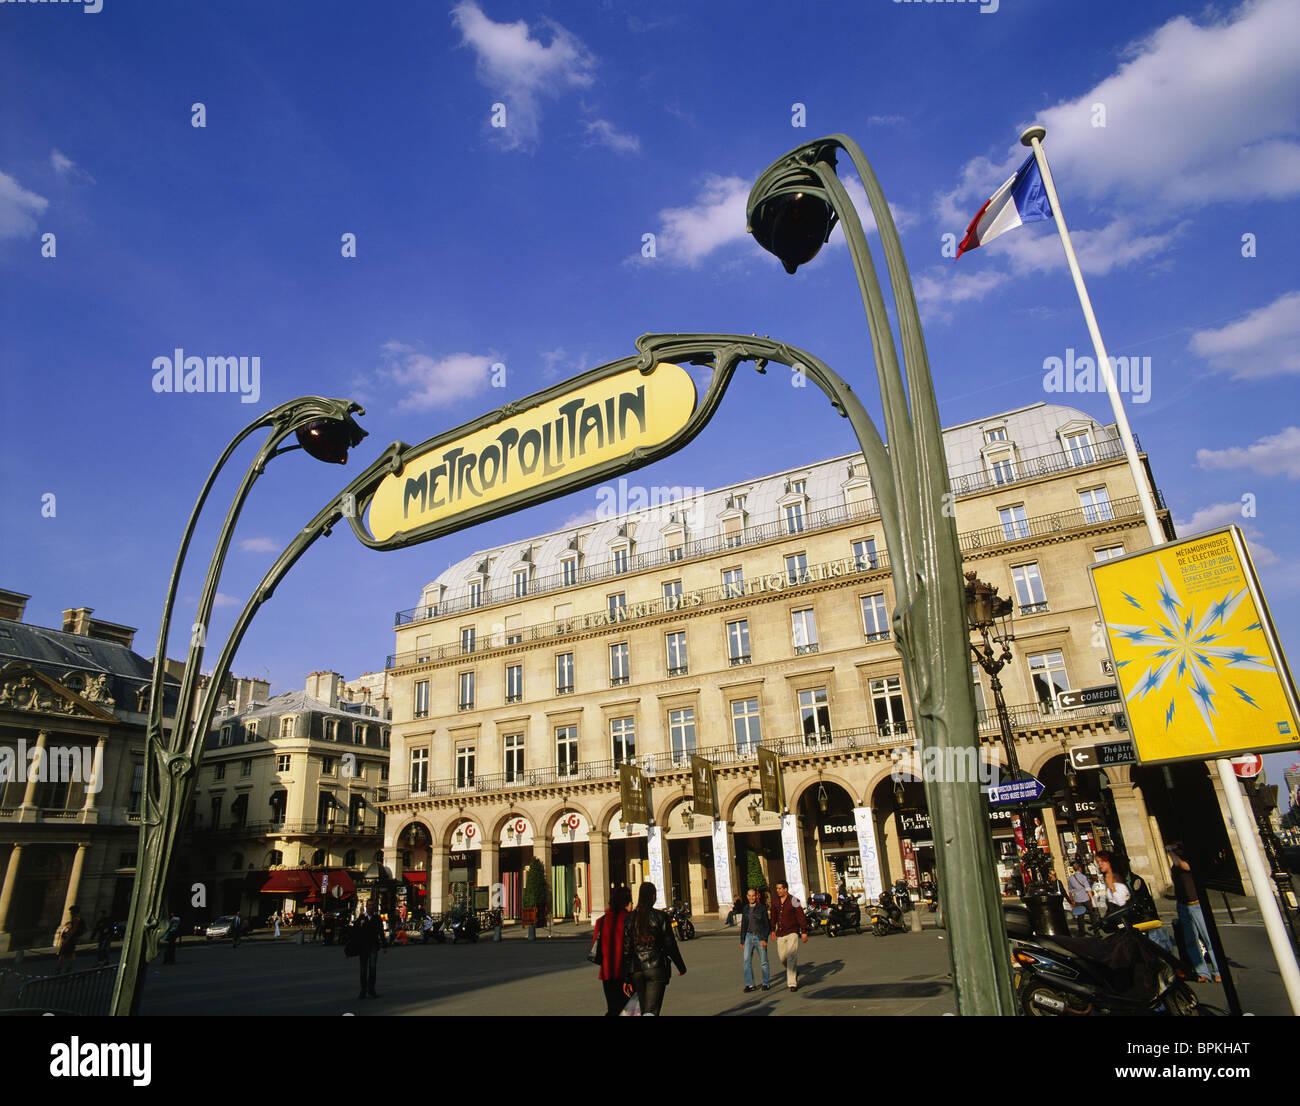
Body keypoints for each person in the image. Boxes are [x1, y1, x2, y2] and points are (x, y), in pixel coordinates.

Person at [621, 882, 686, 1016]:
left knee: (645, 1009)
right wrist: (680, 966)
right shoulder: (660, 916)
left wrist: (626, 977)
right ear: (653, 896)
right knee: (651, 1010)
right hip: (656, 967)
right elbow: (670, 945)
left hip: (637, 970)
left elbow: (626, 951)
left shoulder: (629, 919)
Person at [1168, 843, 1221, 983]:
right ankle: (1201, 971)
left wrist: (1169, 851)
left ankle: (1218, 970)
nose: (1175, 851)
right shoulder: (1175, 866)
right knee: (1191, 941)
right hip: (1183, 905)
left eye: (1177, 848)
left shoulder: (1188, 862)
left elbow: (1184, 866)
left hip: (1197, 904)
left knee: (1208, 938)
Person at [592, 886, 633, 1016]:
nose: (632, 904)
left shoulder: (602, 921)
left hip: (607, 973)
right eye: (631, 901)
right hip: (626, 973)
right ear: (625, 903)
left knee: (613, 1008)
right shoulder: (630, 920)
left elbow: (596, 945)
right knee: (629, 1009)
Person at [769, 880, 808, 992]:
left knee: (791, 956)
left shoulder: (794, 900)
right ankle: (793, 969)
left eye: (780, 888)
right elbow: (773, 916)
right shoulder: (775, 902)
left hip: (792, 932)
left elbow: (800, 915)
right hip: (780, 933)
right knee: (782, 957)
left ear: (786, 889)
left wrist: (804, 931)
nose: (778, 891)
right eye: (777, 889)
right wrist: (772, 930)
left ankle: (792, 983)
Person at [738, 887, 771, 992]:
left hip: (759, 936)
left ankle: (766, 983)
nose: (751, 898)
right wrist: (742, 940)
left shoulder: (761, 908)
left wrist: (764, 938)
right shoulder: (745, 908)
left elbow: (767, 924)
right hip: (748, 936)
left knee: (763, 961)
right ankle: (750, 984)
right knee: (746, 960)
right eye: (749, 896)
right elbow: (743, 925)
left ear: (756, 896)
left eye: (753, 896)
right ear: (747, 897)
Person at [353, 901, 388, 999]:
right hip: (363, 947)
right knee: (363, 970)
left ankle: (371, 989)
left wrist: (384, 945)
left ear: (374, 907)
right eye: (369, 906)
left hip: (373, 946)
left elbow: (381, 932)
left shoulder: (377, 918)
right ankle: (363, 990)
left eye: (372, 906)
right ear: (366, 907)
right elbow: (355, 931)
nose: (370, 907)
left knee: (372, 968)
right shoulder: (361, 918)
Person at [1066, 859, 1096, 937]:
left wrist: (1071, 899)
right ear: (1080, 868)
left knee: (1080, 917)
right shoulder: (1083, 877)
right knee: (1092, 915)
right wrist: (1092, 900)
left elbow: (1070, 890)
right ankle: (1096, 932)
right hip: (1086, 898)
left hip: (1078, 899)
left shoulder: (1071, 878)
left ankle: (1082, 933)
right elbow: (1088, 888)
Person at [54, 905, 85, 974]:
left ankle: (58, 969)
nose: (70, 913)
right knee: (72, 954)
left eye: (71, 911)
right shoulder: (79, 918)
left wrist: (67, 939)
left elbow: (73, 930)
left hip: (70, 939)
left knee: (62, 954)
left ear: (73, 911)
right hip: (74, 939)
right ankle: (69, 968)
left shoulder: (76, 919)